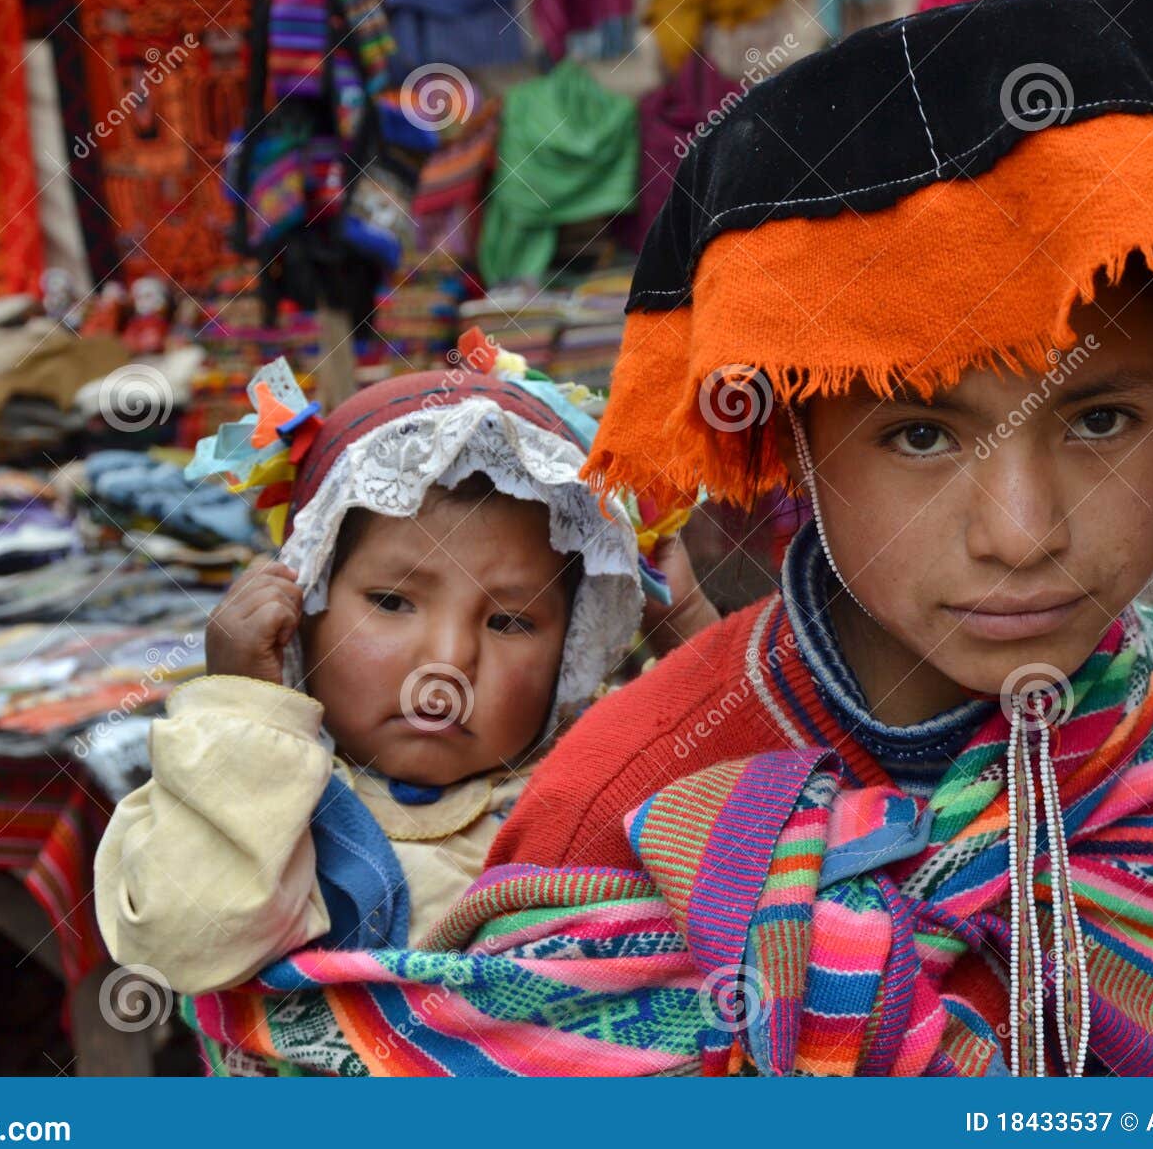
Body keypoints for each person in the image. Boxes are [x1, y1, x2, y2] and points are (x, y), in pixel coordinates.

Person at [481, 0, 1153, 1075]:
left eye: (1099, 417)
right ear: (793, 435)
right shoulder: (611, 810)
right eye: (917, 434)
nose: (1020, 533)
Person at [94, 358, 708, 995]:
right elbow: (178, 941)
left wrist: (683, 620)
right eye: (392, 602)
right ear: (303, 612)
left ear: (574, 653)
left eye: (509, 621)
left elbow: (766, 802)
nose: (448, 659)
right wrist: (243, 712)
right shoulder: (264, 793)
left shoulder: (601, 781)